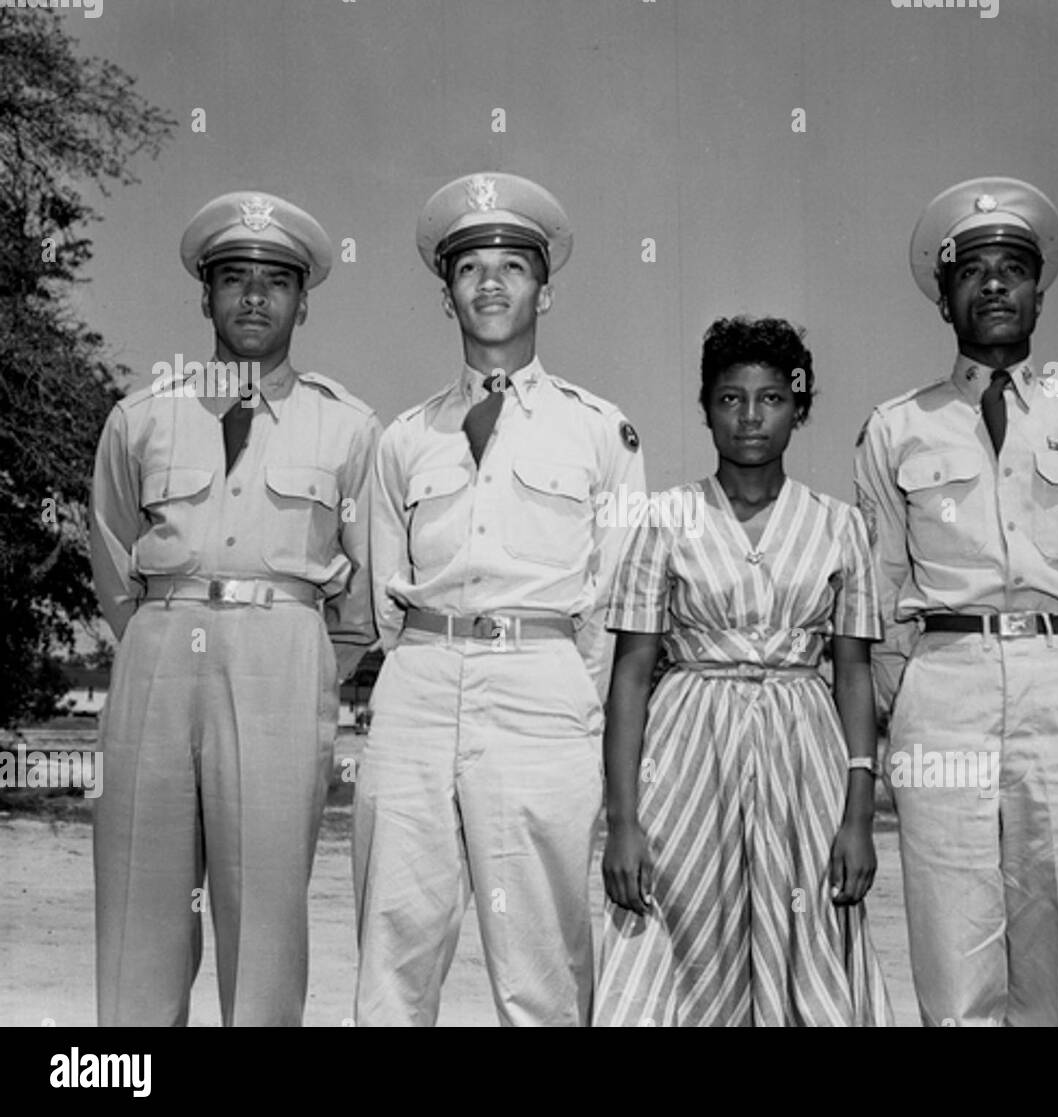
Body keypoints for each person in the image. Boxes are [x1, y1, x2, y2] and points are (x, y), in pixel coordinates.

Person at [854, 177, 1058, 1026]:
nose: (993, 285)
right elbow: (876, 585)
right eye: (972, 271)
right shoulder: (896, 428)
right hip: (942, 682)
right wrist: (904, 692)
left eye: (1012, 269)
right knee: (953, 949)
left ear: (1038, 292)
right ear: (945, 298)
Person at [353, 172, 646, 1027]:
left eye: (512, 266)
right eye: (470, 267)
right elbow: (382, 592)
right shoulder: (405, 439)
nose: (490, 282)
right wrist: (430, 660)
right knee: (392, 943)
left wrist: (560, 693)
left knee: (541, 959)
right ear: (446, 295)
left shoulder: (601, 431)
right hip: (418, 679)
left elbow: (617, 599)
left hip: (541, 690)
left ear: (543, 290)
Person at [90, 191, 380, 1026]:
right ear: (204, 294)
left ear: (302, 299)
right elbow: (112, 551)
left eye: (275, 281)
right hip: (156, 658)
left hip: (281, 663)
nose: (254, 297)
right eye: (234, 279)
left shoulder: (347, 427)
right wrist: (155, 637)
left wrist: (301, 657)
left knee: (265, 919)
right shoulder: (143, 417)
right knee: (141, 908)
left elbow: (359, 592)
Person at [595, 316, 893, 1027]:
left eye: (771, 398)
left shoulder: (840, 524)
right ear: (705, 408)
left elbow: (853, 675)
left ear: (799, 408)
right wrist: (624, 822)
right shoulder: (664, 518)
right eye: (730, 398)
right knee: (680, 936)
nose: (751, 416)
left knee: (808, 940)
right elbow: (631, 676)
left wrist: (859, 813)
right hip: (687, 756)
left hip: (805, 759)